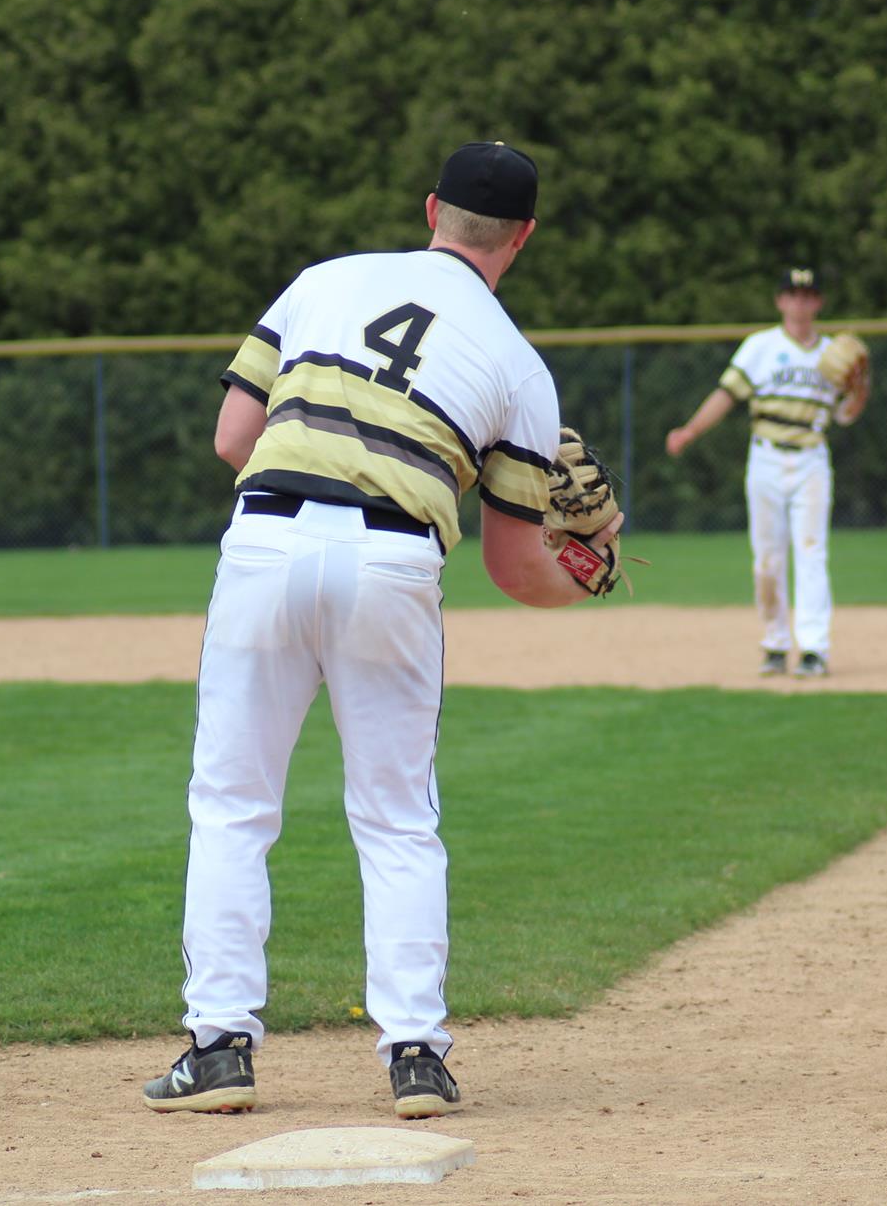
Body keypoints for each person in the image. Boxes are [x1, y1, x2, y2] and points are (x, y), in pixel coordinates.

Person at [143, 142, 617, 1120]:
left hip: (266, 539)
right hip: (395, 558)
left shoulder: (324, 281)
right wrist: (584, 577)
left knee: (232, 803)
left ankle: (218, 1045)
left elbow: (233, 439)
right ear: (521, 237)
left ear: (432, 207)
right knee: (397, 818)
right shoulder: (518, 365)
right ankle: (414, 1056)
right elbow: (511, 567)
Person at [664, 266, 869, 677]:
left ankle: (813, 648)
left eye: (808, 295)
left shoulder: (833, 356)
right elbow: (726, 394)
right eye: (793, 294)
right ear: (780, 301)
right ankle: (776, 642)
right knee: (767, 560)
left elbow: (848, 414)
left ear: (818, 303)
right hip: (766, 460)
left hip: (811, 459)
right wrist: (691, 430)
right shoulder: (760, 346)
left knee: (812, 552)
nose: (800, 302)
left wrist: (860, 385)